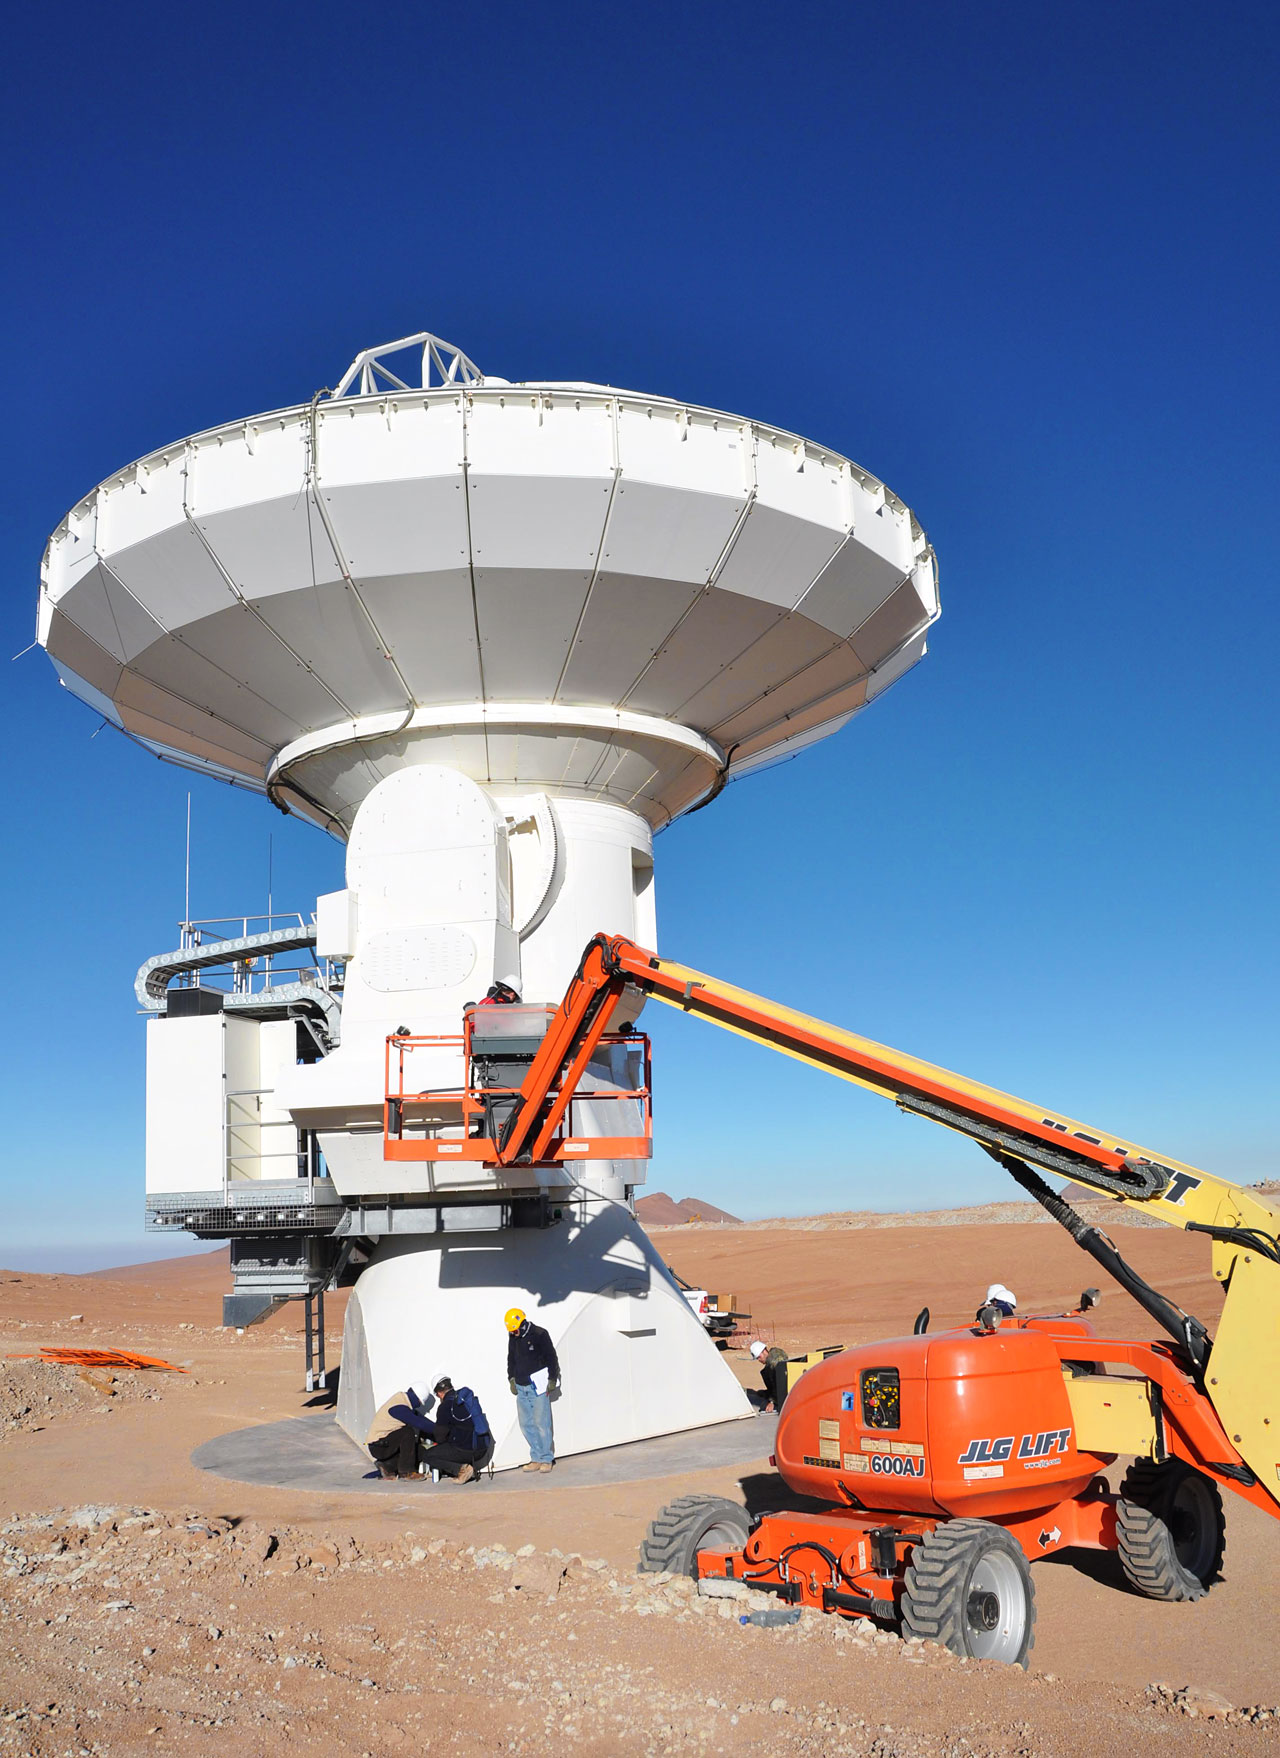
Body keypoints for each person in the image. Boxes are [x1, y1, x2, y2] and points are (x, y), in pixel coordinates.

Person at [391, 1375, 491, 1483]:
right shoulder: (464, 1400)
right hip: (483, 1449)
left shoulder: (445, 1407)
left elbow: (440, 1437)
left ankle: (462, 1470)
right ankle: (466, 1467)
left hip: (467, 1452)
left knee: (428, 1455)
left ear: (439, 1393)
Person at [505, 1307, 559, 1471]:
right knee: (526, 1424)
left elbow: (551, 1357)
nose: (513, 1333)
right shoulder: (513, 1337)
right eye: (511, 1331)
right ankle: (535, 1457)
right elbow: (511, 1359)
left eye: (515, 1330)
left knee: (541, 1423)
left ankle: (546, 1459)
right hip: (521, 1387)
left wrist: (552, 1378)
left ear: (522, 1324)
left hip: (538, 1386)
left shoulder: (539, 1334)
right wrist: (511, 1378)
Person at [366, 1386, 427, 1479]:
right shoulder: (400, 1407)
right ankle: (407, 1472)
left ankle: (387, 1466)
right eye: (420, 1402)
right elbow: (420, 1423)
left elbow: (424, 1421)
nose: (419, 1405)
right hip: (379, 1446)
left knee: (419, 1450)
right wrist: (441, 1432)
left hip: (384, 1444)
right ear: (417, 1398)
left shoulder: (403, 1403)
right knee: (407, 1432)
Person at [749, 1339, 790, 1412]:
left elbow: (779, 1384)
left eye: (759, 1357)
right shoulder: (776, 1354)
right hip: (783, 1393)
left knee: (762, 1405)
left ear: (764, 1351)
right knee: (759, 1393)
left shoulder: (772, 1363)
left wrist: (772, 1402)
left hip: (784, 1397)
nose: (759, 1360)